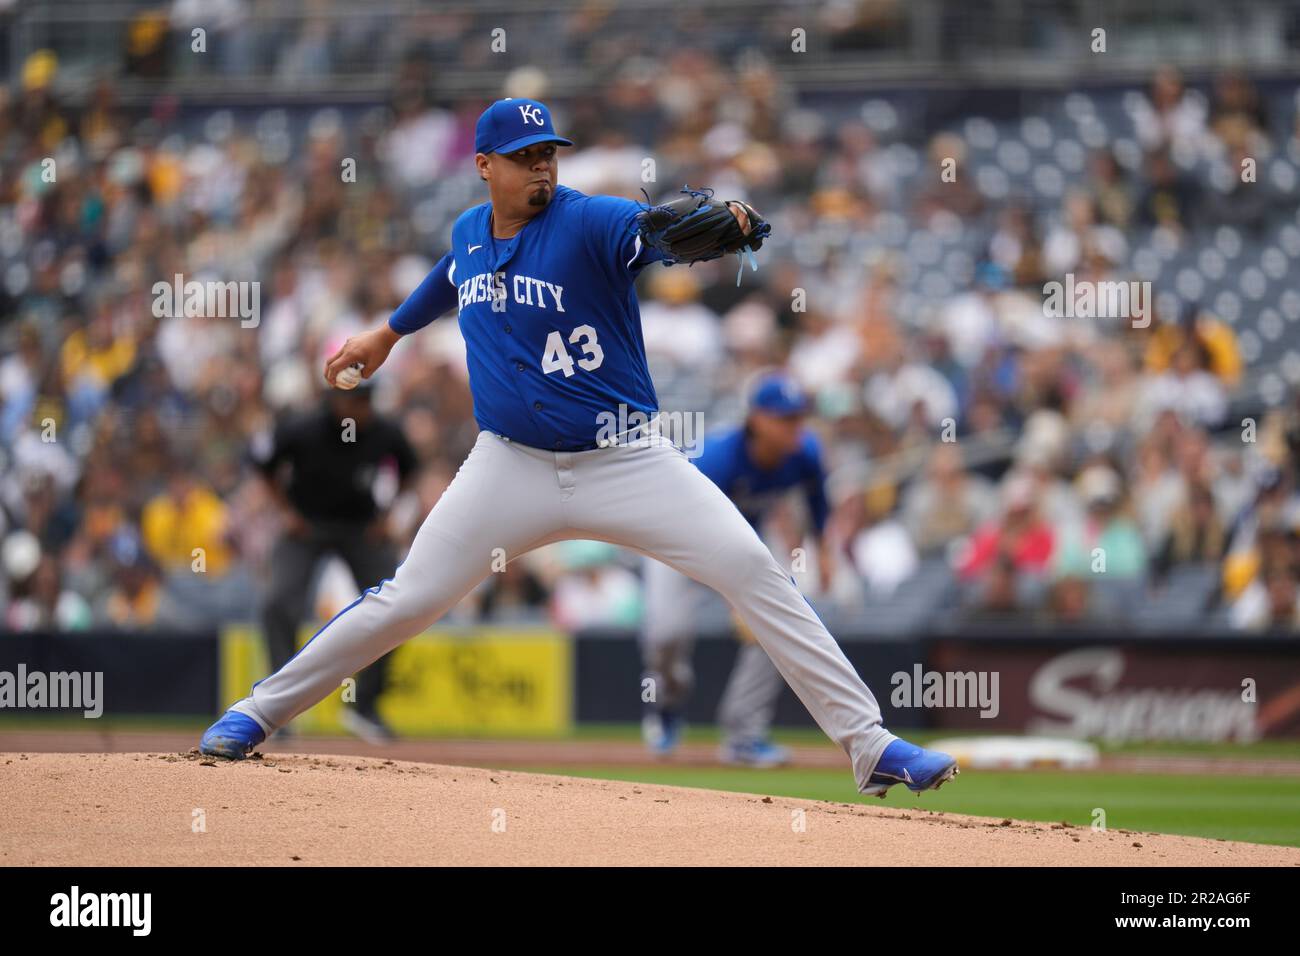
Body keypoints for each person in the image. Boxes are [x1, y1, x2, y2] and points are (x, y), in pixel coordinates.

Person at [199, 98, 958, 800]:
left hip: (627, 459)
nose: (542, 166)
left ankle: (871, 744)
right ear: (485, 166)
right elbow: (451, 275)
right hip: (509, 465)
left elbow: (650, 232)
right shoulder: (469, 231)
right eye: (525, 155)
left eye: (549, 154)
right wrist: (390, 332)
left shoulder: (590, 221)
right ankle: (257, 714)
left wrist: (693, 223)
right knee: (407, 600)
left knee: (754, 570)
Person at [640, 373, 833, 768]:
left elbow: (818, 502)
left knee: (775, 621)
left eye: (799, 418)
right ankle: (667, 704)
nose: (795, 427)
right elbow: (693, 527)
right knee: (665, 635)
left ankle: (744, 735)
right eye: (785, 419)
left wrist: (825, 551)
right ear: (757, 419)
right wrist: (733, 595)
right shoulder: (720, 458)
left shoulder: (805, 452)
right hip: (671, 538)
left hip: (741, 545)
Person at [250, 378, 417, 742]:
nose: (364, 406)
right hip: (306, 526)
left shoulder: (383, 431)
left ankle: (365, 707)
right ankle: (278, 708)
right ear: (335, 401)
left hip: (360, 527)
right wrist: (285, 511)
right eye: (357, 399)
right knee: (278, 603)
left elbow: (410, 468)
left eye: (368, 398)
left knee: (402, 604)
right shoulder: (302, 428)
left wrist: (387, 516)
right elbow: (263, 465)